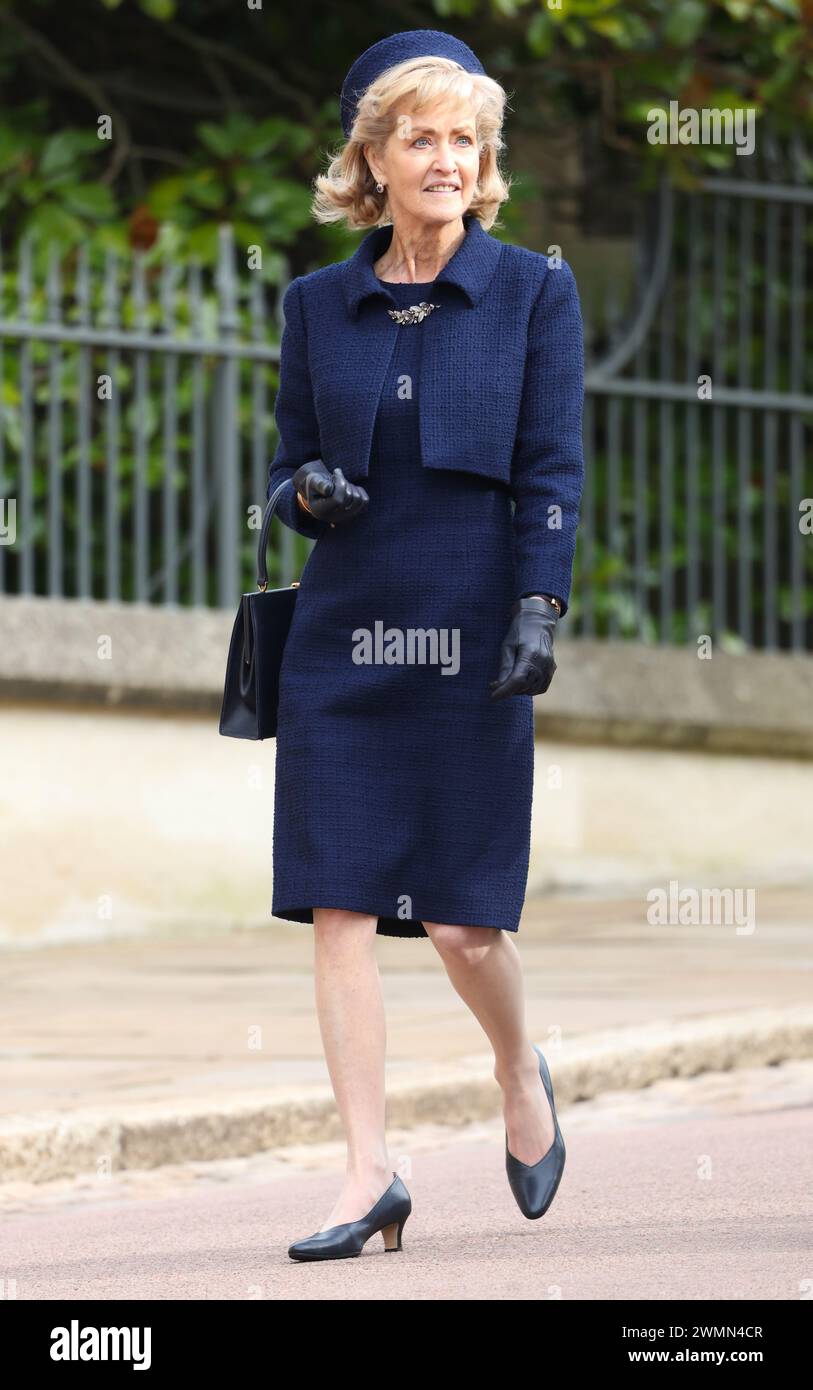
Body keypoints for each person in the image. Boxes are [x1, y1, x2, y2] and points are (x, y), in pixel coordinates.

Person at [266, 29, 584, 1261]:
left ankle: (518, 1067)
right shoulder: (316, 304)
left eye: (466, 139)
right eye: (422, 138)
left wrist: (540, 608)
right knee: (339, 907)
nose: (447, 158)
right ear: (374, 159)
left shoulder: (533, 291)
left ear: (483, 160)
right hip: (343, 633)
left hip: (474, 621)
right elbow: (286, 460)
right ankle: (367, 1171)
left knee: (461, 924)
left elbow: (552, 467)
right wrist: (305, 498)